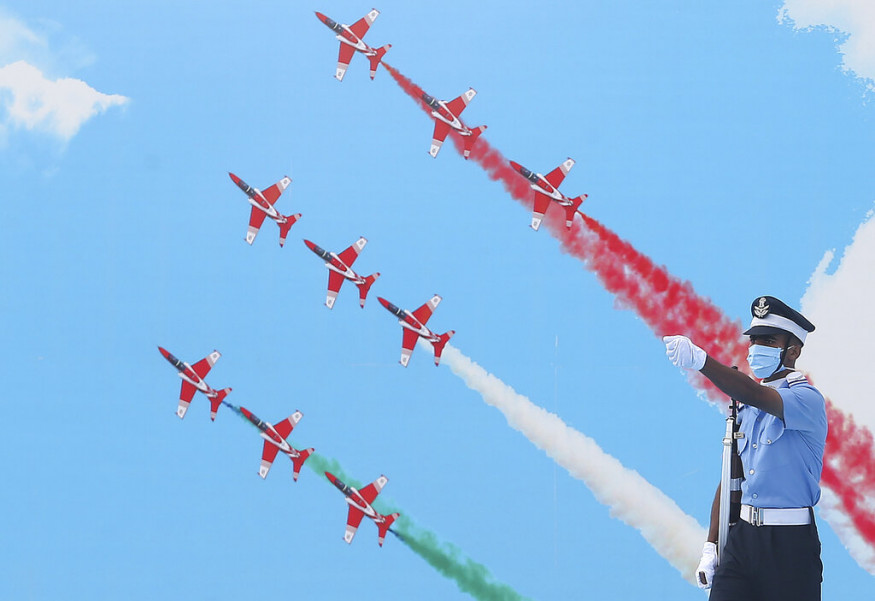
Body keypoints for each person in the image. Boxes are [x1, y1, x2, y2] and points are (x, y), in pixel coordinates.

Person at [663, 295, 827, 601]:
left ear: (793, 350)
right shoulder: (747, 405)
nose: (756, 348)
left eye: (768, 341)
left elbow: (754, 392)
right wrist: (711, 544)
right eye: (754, 341)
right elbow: (731, 476)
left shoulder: (807, 399)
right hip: (742, 539)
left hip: (789, 545)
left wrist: (702, 361)